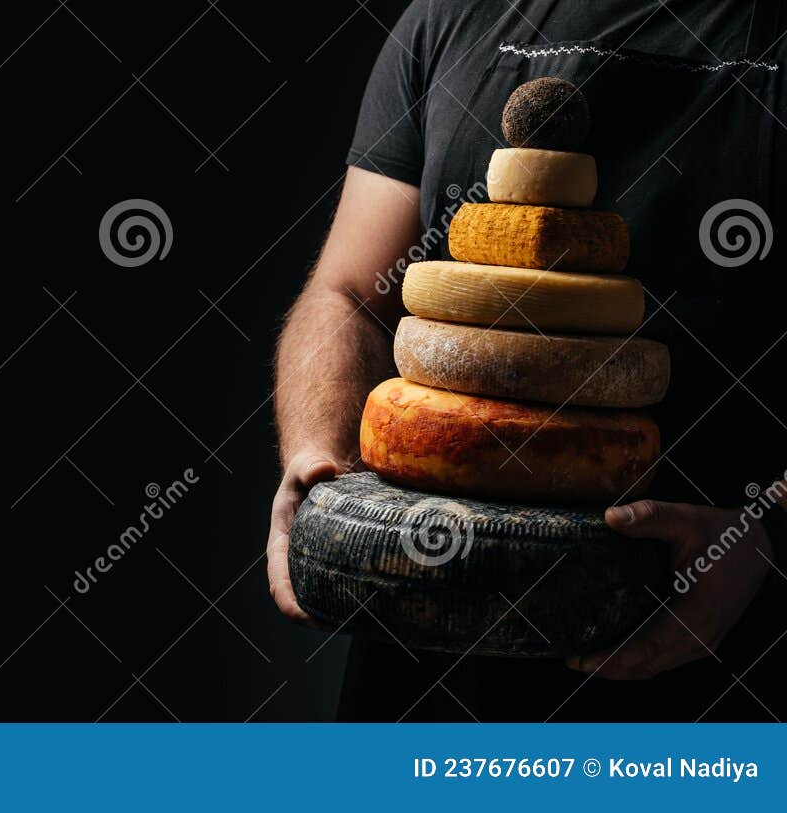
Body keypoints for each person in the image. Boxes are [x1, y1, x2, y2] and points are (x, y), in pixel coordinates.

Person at [266, 0, 787, 720]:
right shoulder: (445, 20)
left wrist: (765, 534)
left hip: (701, 653)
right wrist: (316, 461)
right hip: (431, 658)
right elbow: (350, 291)